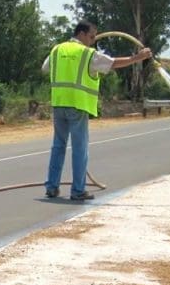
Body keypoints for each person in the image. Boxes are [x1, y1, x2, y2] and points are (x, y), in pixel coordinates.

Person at [42, 20, 152, 200]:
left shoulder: (57, 50)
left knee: (58, 146)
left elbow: (45, 68)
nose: (93, 40)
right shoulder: (87, 54)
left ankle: (52, 187)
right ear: (82, 34)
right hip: (77, 106)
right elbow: (112, 63)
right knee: (79, 149)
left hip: (58, 104)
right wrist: (136, 58)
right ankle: (78, 191)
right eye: (91, 36)